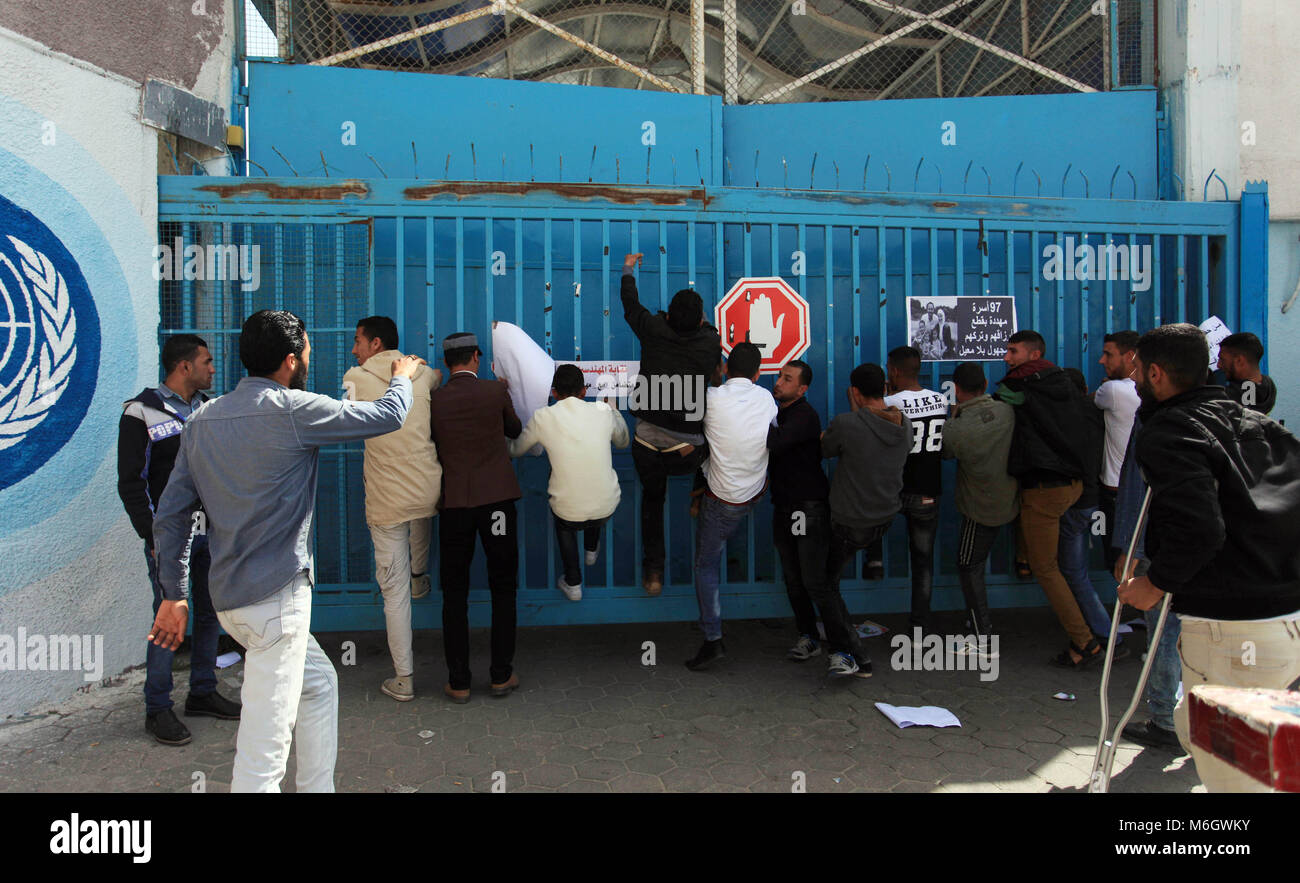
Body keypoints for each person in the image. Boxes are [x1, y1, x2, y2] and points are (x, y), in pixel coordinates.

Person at [150, 311, 421, 792]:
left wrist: (173, 594)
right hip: (277, 604)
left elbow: (170, 517)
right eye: (309, 354)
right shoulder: (294, 409)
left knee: (319, 685)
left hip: (231, 601)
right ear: (291, 360)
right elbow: (388, 415)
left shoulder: (203, 419)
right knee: (262, 761)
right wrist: (401, 377)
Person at [1118, 323, 1300, 790]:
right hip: (1281, 619)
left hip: (1232, 628)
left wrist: (1154, 583)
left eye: (1137, 370)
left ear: (1156, 374)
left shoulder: (1170, 433)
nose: (1133, 380)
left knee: (1239, 778)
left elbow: (1199, 528)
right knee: (1202, 734)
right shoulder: (1257, 424)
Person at [117, 334, 238, 746]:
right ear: (184, 367)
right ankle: (157, 707)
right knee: (167, 620)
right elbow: (131, 483)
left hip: (211, 535)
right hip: (171, 539)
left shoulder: (207, 410)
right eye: (206, 361)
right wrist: (152, 536)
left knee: (208, 615)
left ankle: (202, 692)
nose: (212, 368)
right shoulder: (141, 412)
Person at [343, 316, 442, 702]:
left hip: (386, 498)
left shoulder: (357, 376)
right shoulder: (424, 374)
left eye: (357, 341)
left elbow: (347, 409)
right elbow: (435, 375)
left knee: (393, 595)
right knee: (420, 515)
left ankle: (404, 678)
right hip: (427, 488)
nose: (353, 348)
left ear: (375, 344)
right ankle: (420, 574)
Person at [994, 329, 1098, 668]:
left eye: (1013, 352)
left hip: (1045, 488)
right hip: (1073, 484)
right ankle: (1024, 559)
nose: (1006, 358)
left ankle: (1085, 643)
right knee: (1067, 564)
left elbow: (999, 409)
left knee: (1048, 569)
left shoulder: (1018, 386)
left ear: (1034, 355)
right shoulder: (1064, 381)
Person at [620, 252, 722, 596]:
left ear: (668, 314)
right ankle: (697, 495)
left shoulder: (653, 330)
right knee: (713, 443)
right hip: (686, 451)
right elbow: (707, 333)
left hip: (647, 443)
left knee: (652, 502)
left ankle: (654, 573)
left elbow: (631, 305)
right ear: (698, 320)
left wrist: (628, 268)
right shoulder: (709, 341)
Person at [431, 332, 524, 703]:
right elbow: (515, 430)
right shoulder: (493, 392)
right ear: (475, 357)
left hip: (455, 505)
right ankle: (501, 675)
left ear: (447, 362)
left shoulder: (435, 400)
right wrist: (506, 395)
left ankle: (459, 681)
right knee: (503, 587)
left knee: (455, 593)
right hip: (497, 504)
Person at [686, 342, 776, 671]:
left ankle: (713, 640)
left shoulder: (710, 398)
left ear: (725, 369)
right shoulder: (766, 398)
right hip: (754, 493)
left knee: (706, 567)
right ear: (758, 373)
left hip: (721, 499)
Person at [507, 363, 630, 601]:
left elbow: (516, 450)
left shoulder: (544, 416)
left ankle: (573, 582)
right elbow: (623, 442)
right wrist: (613, 410)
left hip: (569, 512)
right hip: (607, 505)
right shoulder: (602, 411)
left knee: (565, 518)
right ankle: (591, 549)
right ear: (584, 391)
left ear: (554, 393)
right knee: (594, 488)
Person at [821, 363, 912, 678]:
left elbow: (826, 447)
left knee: (825, 585)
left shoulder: (846, 423)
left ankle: (853, 654)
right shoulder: (904, 424)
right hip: (885, 516)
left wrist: (852, 412)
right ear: (885, 389)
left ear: (855, 392)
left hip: (850, 521)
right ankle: (875, 562)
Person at [766, 358, 858, 670]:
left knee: (815, 582)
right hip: (785, 507)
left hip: (806, 509)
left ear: (802, 388)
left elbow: (774, 444)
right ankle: (808, 637)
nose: (779, 382)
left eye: (787, 379)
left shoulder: (804, 415)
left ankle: (844, 651)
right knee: (794, 580)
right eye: (780, 376)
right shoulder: (780, 411)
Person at [1111, 410, 1184, 752]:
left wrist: (1131, 549)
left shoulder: (1153, 420)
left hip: (1161, 542)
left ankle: (1166, 721)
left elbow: (1139, 490)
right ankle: (1196, 719)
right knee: (1189, 635)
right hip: (1195, 542)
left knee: (1165, 635)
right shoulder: (1219, 412)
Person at [940, 362, 1016, 650]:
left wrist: (953, 418)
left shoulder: (957, 428)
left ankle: (981, 632)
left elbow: (946, 451)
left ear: (956, 390)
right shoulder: (1007, 411)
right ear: (985, 383)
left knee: (968, 563)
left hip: (979, 506)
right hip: (1009, 499)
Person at [880, 345, 949, 633]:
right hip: (928, 492)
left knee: (864, 527)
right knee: (923, 564)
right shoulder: (940, 400)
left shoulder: (889, 402)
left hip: (894, 490)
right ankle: (920, 627)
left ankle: (872, 561)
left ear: (894, 370)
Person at [1058, 368, 1122, 648]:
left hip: (1077, 501)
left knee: (1074, 571)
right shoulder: (1100, 414)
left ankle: (1103, 632)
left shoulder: (1066, 419)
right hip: (1097, 496)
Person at [1094, 330, 1141, 570]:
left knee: (1119, 565)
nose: (1102, 361)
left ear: (1130, 356)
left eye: (1108, 354)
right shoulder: (1150, 391)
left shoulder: (1111, 390)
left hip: (1114, 491)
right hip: (1142, 490)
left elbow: (1093, 400)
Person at [1217, 331, 1276, 415]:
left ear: (1239, 360)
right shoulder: (1269, 387)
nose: (1218, 365)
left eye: (1222, 359)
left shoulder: (1232, 397)